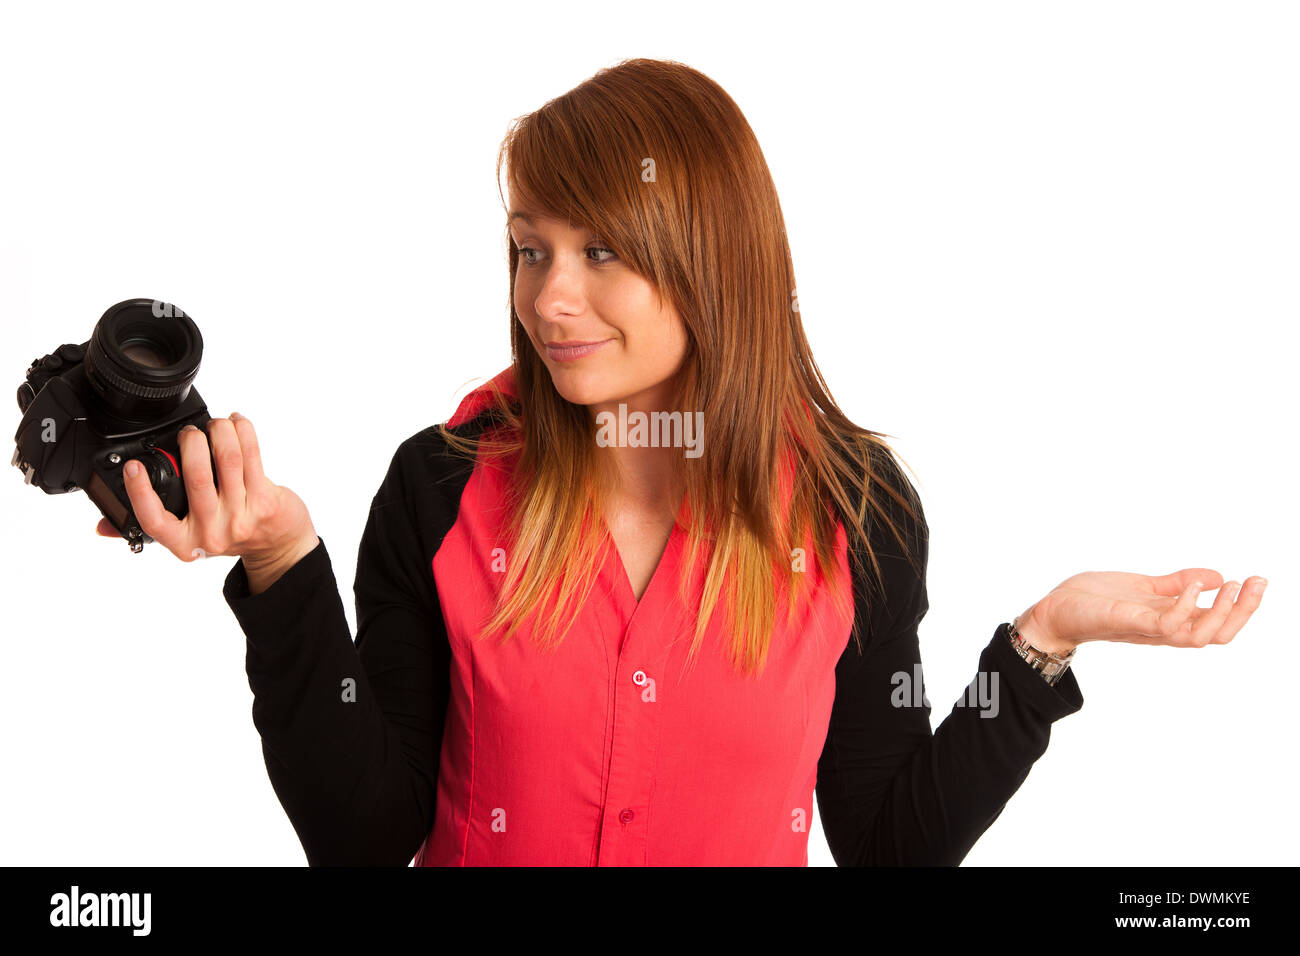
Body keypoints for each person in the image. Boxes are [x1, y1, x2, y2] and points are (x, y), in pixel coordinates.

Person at [98, 58, 1266, 866]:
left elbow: (883, 838)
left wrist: (1043, 638)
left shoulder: (858, 513)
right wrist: (281, 568)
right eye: (528, 248)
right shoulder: (441, 486)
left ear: (710, 256)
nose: (547, 297)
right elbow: (362, 837)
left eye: (601, 249)